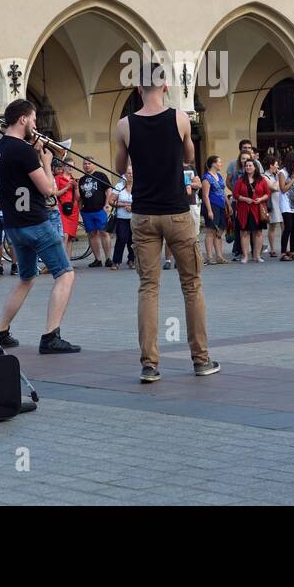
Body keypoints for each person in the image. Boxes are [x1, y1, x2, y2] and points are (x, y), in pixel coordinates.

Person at [115, 68, 218, 384]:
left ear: (137, 87)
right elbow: (189, 155)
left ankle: (149, 365)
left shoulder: (125, 124)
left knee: (148, 288)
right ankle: (200, 359)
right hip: (176, 212)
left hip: (143, 214)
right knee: (192, 284)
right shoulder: (180, 118)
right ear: (166, 85)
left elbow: (120, 166)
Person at [0, 99, 80, 354]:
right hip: (36, 223)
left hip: (14, 225)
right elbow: (49, 190)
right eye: (34, 119)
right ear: (23, 119)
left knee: (26, 278)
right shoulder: (24, 151)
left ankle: (1, 331)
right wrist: (46, 162)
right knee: (65, 274)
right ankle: (51, 336)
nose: (36, 124)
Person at [232, 157, 269, 264]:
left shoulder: (261, 180)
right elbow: (235, 194)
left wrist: (261, 199)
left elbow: (267, 193)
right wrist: (245, 199)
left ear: (255, 167)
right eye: (246, 166)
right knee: (244, 233)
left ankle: (257, 255)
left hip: (258, 209)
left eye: (250, 166)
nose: (248, 167)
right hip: (244, 210)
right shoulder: (240, 180)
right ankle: (245, 256)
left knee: (258, 232)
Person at [78, 158, 113, 269]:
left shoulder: (101, 175)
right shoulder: (82, 180)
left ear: (94, 165)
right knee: (92, 234)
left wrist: (107, 204)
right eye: (85, 164)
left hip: (100, 210)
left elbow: (108, 190)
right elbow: (81, 197)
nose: (87, 165)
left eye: (89, 163)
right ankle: (97, 259)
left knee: (104, 233)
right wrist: (79, 209)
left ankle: (108, 258)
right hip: (87, 211)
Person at [200, 155, 228, 264]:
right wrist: (209, 210)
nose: (221, 164)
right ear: (214, 164)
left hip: (221, 205)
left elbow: (222, 191)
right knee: (210, 231)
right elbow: (205, 195)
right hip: (212, 205)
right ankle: (210, 257)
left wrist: (228, 204)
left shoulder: (219, 176)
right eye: (219, 162)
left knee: (219, 231)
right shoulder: (207, 177)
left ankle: (219, 256)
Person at [277, 151, 294, 261]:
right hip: (286, 202)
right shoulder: (282, 172)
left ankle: (292, 251)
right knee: (288, 227)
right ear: (292, 160)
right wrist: (293, 179)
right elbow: (283, 189)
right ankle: (283, 252)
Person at [53, 159, 80, 260]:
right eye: (68, 166)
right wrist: (67, 187)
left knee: (70, 238)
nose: (70, 168)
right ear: (63, 167)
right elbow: (55, 194)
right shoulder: (58, 178)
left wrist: (76, 187)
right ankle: (62, 261)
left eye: (72, 166)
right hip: (61, 209)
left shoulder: (74, 179)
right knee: (64, 236)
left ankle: (67, 262)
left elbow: (78, 198)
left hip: (73, 210)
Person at [109, 170, 135, 269]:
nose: (131, 175)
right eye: (129, 173)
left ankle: (132, 260)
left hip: (135, 218)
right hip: (122, 218)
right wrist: (124, 205)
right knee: (121, 238)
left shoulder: (139, 187)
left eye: (133, 173)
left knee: (133, 240)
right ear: (125, 175)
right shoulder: (119, 186)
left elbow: (144, 202)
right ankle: (116, 261)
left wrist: (133, 207)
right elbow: (111, 201)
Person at [263, 155, 283, 258]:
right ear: (271, 165)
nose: (278, 166)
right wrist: (280, 177)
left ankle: (286, 247)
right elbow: (274, 187)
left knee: (284, 225)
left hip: (281, 202)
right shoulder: (265, 176)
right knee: (273, 226)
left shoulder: (275, 175)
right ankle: (273, 249)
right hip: (273, 203)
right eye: (276, 164)